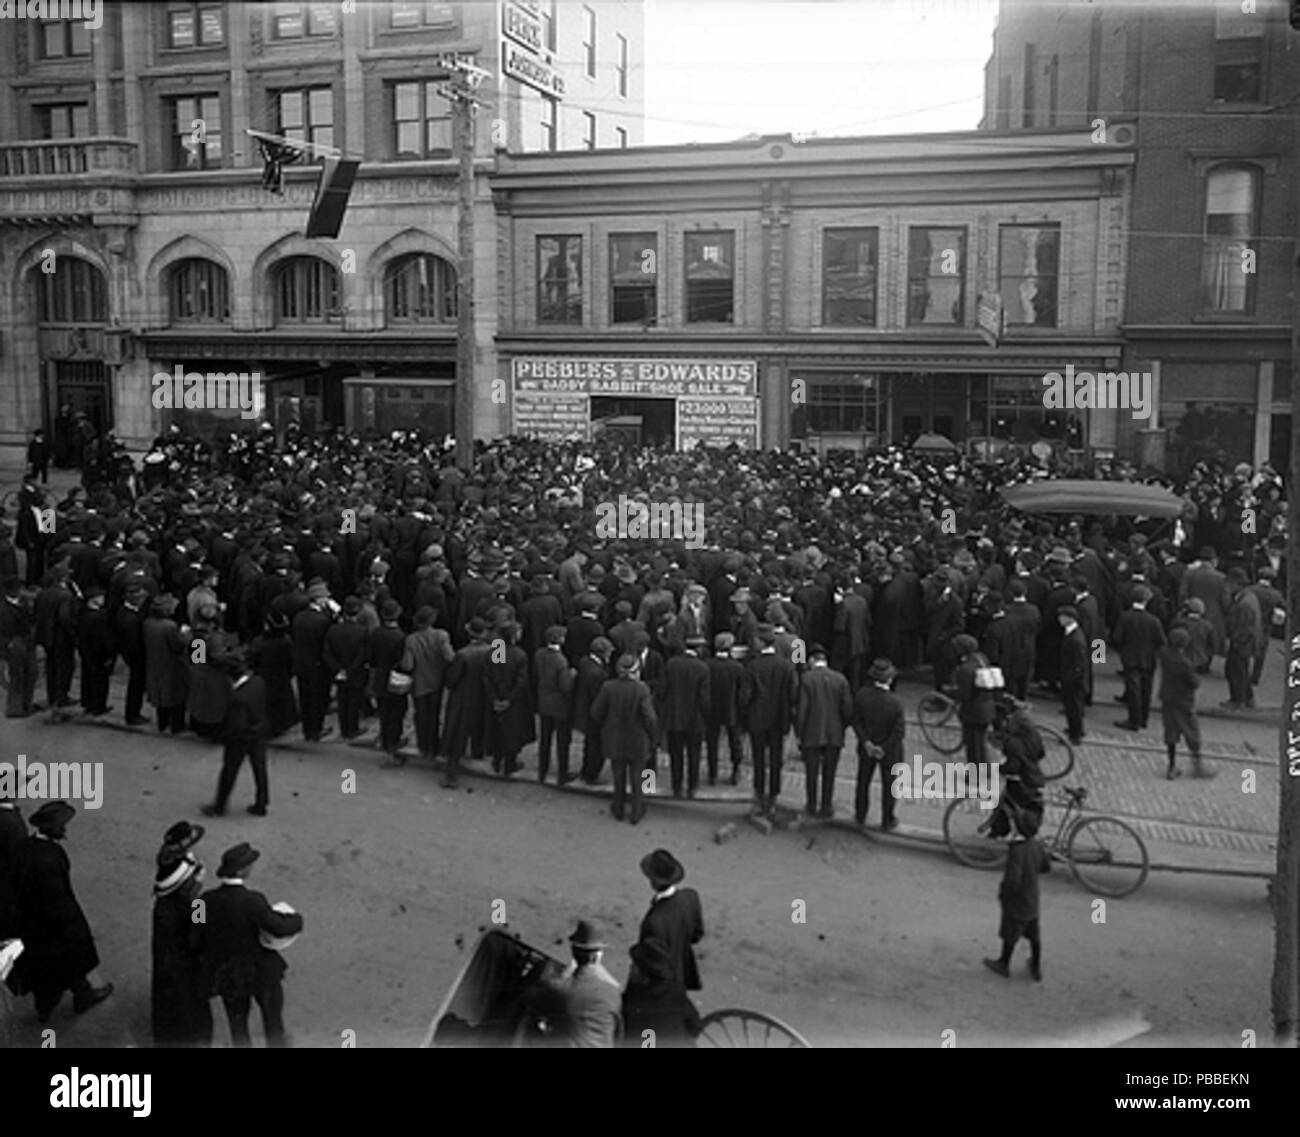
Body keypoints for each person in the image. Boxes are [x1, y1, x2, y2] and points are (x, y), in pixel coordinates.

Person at [6, 801, 113, 1023]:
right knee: (68, 961)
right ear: (54, 830)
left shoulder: (26, 846)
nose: (65, 830)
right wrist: (75, 926)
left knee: (47, 970)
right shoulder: (51, 857)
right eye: (62, 826)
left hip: (29, 923)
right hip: (54, 924)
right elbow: (59, 900)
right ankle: (79, 996)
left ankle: (51, 1005)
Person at [196, 843, 303, 1047]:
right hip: (260, 970)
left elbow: (195, 933)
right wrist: (297, 920)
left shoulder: (202, 902)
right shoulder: (253, 901)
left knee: (238, 1027)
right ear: (242, 870)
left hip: (228, 973)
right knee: (272, 1019)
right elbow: (277, 926)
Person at [151, 821, 213, 1047]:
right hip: (184, 959)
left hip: (168, 955)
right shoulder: (194, 905)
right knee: (186, 995)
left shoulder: (164, 903)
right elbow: (199, 930)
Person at [525, 919, 621, 1048]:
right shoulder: (613, 992)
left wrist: (563, 977)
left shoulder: (558, 989)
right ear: (598, 956)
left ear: (574, 952)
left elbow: (529, 999)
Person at [983, 804, 1050, 982]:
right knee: (1034, 935)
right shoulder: (1037, 845)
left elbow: (1013, 878)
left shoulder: (1016, 850)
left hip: (1017, 901)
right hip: (1032, 899)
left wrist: (1004, 894)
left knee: (1010, 934)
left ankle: (1004, 963)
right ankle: (1035, 967)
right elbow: (1046, 866)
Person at [589, 653, 659, 823]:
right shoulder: (642, 689)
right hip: (637, 739)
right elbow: (650, 718)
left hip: (614, 738)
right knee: (638, 777)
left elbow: (596, 712)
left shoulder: (608, 687)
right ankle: (637, 811)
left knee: (618, 776)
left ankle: (618, 809)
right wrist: (653, 738)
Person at [203, 652, 270, 817]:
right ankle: (261, 803)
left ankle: (220, 806)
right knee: (260, 768)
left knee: (229, 771)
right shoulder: (259, 682)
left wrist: (224, 737)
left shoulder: (238, 698)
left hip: (241, 740)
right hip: (260, 732)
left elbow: (237, 726)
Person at [740, 624, 796, 817]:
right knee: (775, 759)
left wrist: (745, 714)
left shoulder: (753, 666)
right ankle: (773, 794)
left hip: (757, 719)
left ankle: (759, 792)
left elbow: (745, 697)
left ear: (761, 643)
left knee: (758, 759)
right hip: (778, 719)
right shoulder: (786, 666)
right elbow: (793, 694)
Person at [795, 642, 853, 818]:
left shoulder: (806, 679)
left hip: (812, 734)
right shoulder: (840, 679)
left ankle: (811, 804)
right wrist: (841, 728)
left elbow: (802, 711)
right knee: (830, 773)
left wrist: (799, 733)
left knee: (811, 773)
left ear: (812, 660)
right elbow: (847, 710)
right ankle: (826, 806)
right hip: (834, 734)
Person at [633, 849, 704, 994]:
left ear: (653, 882)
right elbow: (697, 934)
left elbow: (650, 960)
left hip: (663, 983)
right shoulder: (690, 897)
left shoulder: (654, 921)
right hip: (683, 971)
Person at [852, 658, 904, 831]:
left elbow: (856, 722)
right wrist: (883, 748)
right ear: (889, 679)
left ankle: (860, 814)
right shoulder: (896, 703)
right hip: (888, 752)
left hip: (867, 747)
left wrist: (867, 742)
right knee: (889, 785)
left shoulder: (862, 695)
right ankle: (887, 819)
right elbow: (899, 732)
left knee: (863, 781)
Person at [621, 938, 701, 1048]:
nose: (631, 968)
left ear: (645, 977)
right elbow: (695, 1026)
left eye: (634, 966)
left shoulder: (632, 1001)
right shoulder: (676, 994)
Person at [661, 634, 711, 799]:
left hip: (674, 716)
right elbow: (704, 699)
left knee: (676, 755)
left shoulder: (671, 664)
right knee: (694, 755)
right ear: (699, 649)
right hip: (694, 719)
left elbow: (662, 691)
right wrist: (706, 716)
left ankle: (677, 786)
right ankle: (692, 786)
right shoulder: (702, 668)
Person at [1159, 627, 1212, 780]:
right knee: (1192, 734)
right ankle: (1198, 767)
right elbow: (1193, 683)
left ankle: (1172, 766)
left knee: (1171, 734)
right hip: (1183, 702)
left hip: (1168, 699)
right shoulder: (1184, 663)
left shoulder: (1164, 654)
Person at [1111, 585, 1166, 731]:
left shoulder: (1124, 616)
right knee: (1146, 690)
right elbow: (1161, 641)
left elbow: (1116, 638)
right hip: (1148, 659)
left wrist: (1121, 650)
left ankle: (1133, 720)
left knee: (1133, 690)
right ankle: (1143, 719)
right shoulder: (1154, 620)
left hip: (1130, 657)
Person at [534, 625, 577, 785]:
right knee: (562, 741)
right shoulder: (561, 660)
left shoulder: (539, 654)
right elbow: (565, 686)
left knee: (545, 739)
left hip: (544, 701)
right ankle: (562, 773)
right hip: (559, 705)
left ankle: (542, 771)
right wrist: (571, 676)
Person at [325, 595, 371, 742]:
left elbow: (327, 652)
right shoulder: (362, 631)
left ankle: (344, 728)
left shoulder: (333, 630)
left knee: (342, 698)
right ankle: (353, 729)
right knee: (354, 701)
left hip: (338, 671)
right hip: (356, 672)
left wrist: (338, 668)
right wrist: (350, 669)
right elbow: (362, 654)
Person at [704, 632, 746, 786]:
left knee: (712, 742)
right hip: (731, 709)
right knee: (734, 741)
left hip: (712, 709)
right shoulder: (737, 667)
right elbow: (742, 692)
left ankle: (712, 773)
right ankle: (735, 770)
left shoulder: (708, 665)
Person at [144, 593, 189, 734]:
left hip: (154, 662)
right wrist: (185, 636)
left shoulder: (147, 623)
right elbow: (178, 646)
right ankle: (177, 726)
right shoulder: (169, 626)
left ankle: (162, 724)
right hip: (172, 665)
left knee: (161, 696)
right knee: (176, 696)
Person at [573, 635, 613, 785]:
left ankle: (586, 771)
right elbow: (599, 698)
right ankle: (591, 774)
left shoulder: (585, 662)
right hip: (594, 715)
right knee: (596, 747)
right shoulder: (598, 674)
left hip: (584, 711)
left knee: (589, 744)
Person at [951, 633, 995, 767]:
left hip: (973, 712)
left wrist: (951, 692)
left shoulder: (965, 669)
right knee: (981, 742)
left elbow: (964, 693)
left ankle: (973, 776)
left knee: (972, 747)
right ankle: (986, 769)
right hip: (987, 707)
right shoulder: (982, 658)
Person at [1223, 569, 1263, 711]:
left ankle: (1238, 700)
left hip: (1242, 643)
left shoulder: (1244, 603)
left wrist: (1235, 642)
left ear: (1237, 584)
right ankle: (1247, 698)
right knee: (1241, 671)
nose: (1227, 587)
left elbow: (1244, 627)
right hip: (1246, 642)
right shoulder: (1247, 597)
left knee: (1235, 671)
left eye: (1230, 584)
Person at [1, 577, 37, 718]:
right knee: (17, 676)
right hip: (14, 643)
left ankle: (26, 704)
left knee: (32, 672)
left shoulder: (23, 604)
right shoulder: (3, 609)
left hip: (27, 641)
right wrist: (6, 645)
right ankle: (15, 708)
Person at [1058, 605, 1088, 744]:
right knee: (1073, 706)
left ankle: (1075, 735)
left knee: (1073, 707)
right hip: (1071, 676)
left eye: (1062, 617)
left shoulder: (1075, 639)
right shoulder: (1072, 633)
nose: (1059, 619)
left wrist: (1070, 678)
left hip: (1073, 679)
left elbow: (1079, 663)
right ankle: (1075, 729)